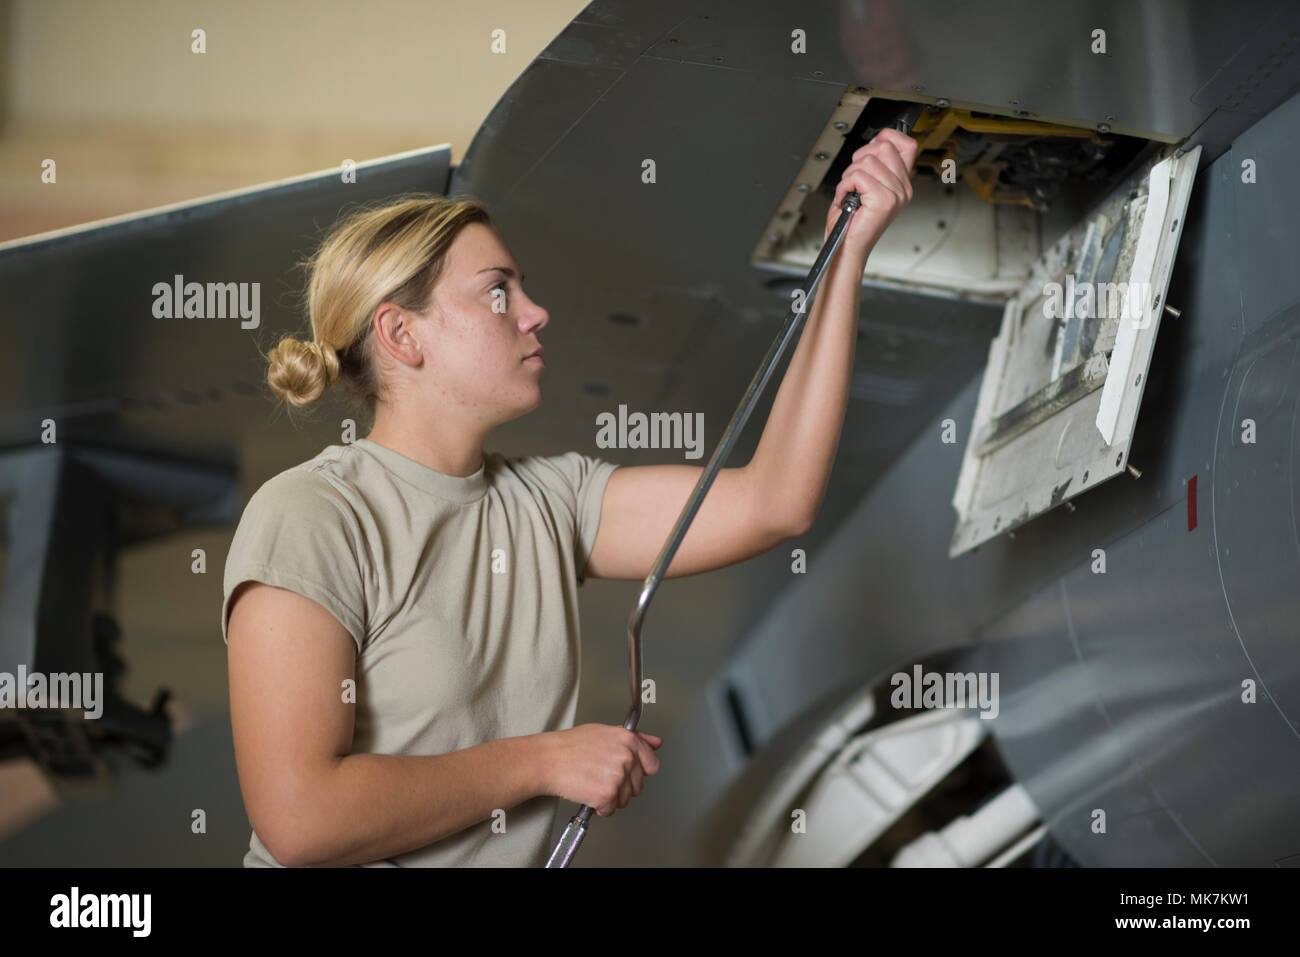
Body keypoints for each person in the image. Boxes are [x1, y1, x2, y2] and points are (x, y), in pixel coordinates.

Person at [221, 129, 917, 867]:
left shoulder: (551, 501)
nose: (535, 311)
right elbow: (301, 817)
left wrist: (849, 251)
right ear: (402, 334)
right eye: (498, 291)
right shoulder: (311, 516)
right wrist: (545, 761)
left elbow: (775, 500)